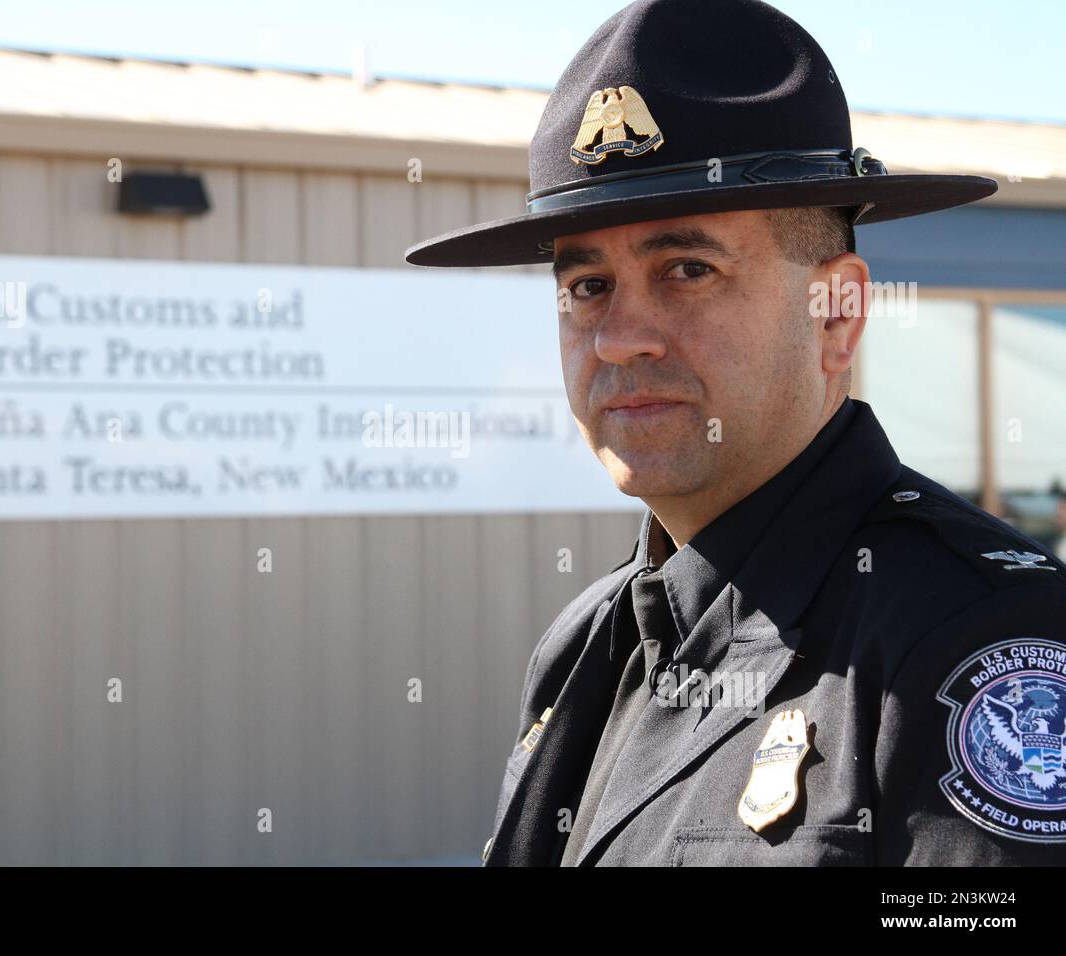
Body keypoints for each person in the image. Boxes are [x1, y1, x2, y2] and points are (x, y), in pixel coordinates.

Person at [406, 0, 1066, 865]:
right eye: (587, 286)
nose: (618, 337)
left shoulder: (983, 646)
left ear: (836, 313)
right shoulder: (587, 641)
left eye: (688, 269)